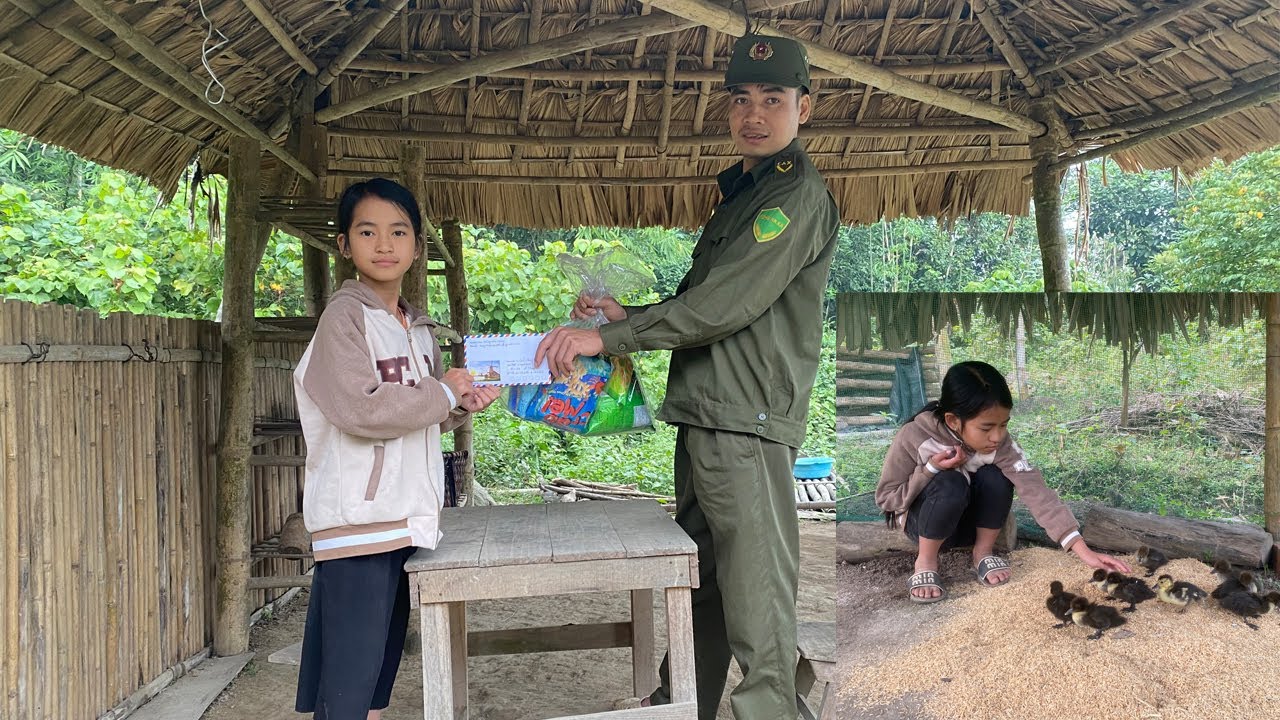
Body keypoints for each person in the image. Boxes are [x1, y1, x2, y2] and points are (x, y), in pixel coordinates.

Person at [536, 33, 839, 720]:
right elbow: (705, 302)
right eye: (741, 99)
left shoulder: (792, 197)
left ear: (803, 108)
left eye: (773, 99)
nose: (753, 114)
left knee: (756, 591)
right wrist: (628, 316)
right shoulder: (743, 195)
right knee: (703, 579)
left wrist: (608, 336)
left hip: (745, 419)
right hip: (710, 412)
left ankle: (771, 710)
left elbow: (727, 304)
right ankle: (682, 703)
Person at [292, 178, 501, 719]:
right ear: (344, 245)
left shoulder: (416, 329)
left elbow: (417, 412)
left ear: (416, 245)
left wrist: (459, 405)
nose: (384, 244)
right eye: (367, 232)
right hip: (358, 526)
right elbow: (361, 410)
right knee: (348, 687)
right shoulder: (344, 319)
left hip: (403, 521)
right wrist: (442, 393)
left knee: (375, 680)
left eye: (398, 232)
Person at [876, 360, 1131, 603]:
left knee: (996, 476)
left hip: (970, 528)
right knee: (949, 482)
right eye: (986, 428)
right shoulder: (915, 436)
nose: (997, 437)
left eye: (1003, 425)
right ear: (953, 420)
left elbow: (1037, 491)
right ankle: (926, 562)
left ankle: (983, 552)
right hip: (923, 527)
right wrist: (931, 469)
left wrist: (1084, 552)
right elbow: (887, 499)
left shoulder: (1002, 446)